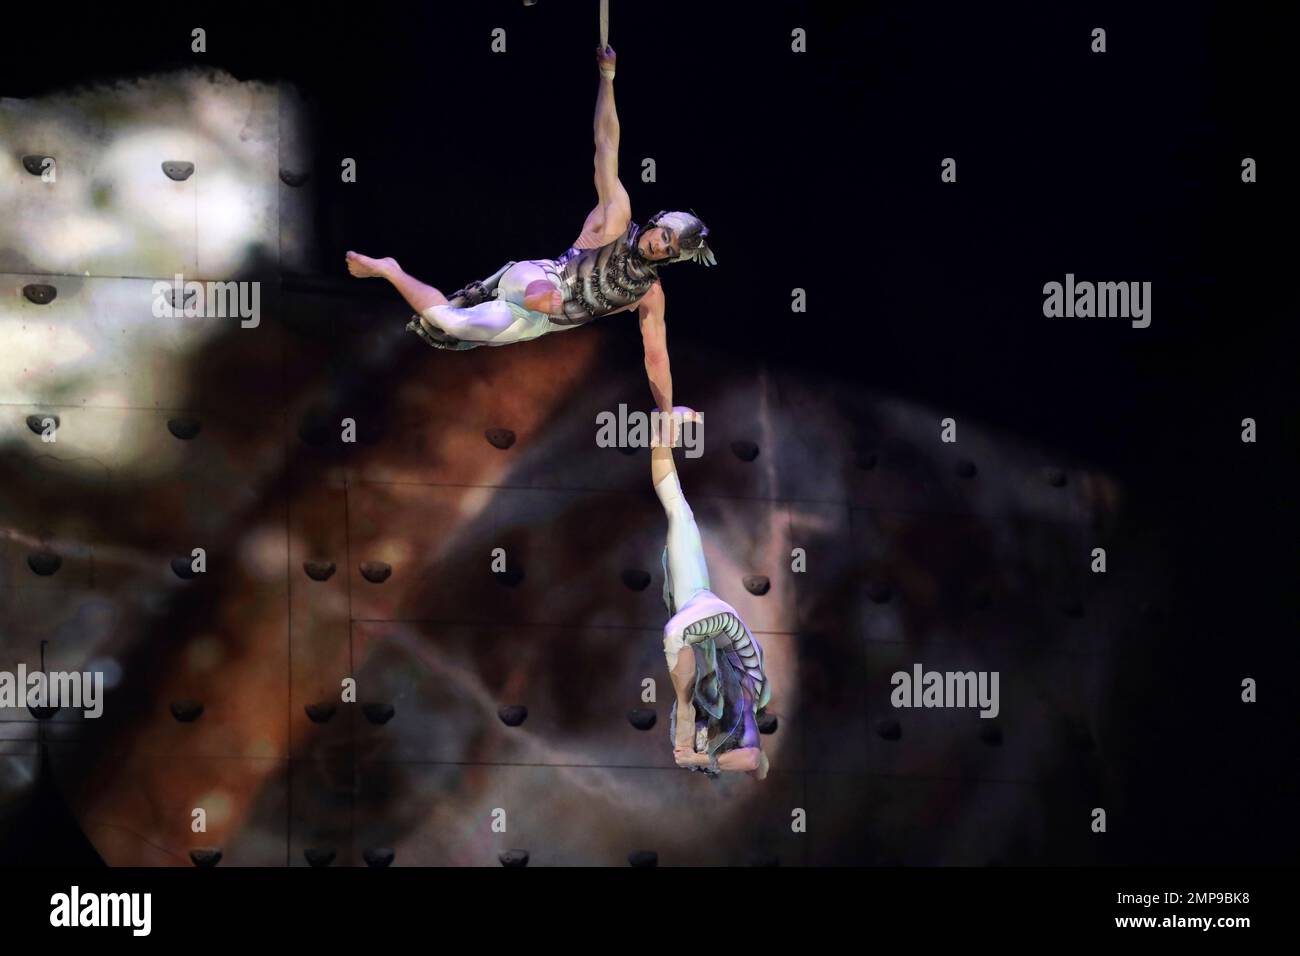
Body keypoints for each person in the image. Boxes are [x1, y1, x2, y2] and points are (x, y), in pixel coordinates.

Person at [345, 44, 714, 414]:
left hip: (537, 323)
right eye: (664, 236)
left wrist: (667, 412)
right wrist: (608, 77)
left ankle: (389, 269)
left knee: (448, 324)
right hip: (538, 278)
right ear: (656, 224)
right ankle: (540, 296)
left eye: (668, 250)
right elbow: (605, 142)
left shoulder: (649, 293)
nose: (659, 246)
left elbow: (656, 355)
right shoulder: (617, 216)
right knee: (543, 293)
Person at [652, 408, 771, 778]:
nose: (697, 738)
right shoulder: (744, 703)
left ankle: (663, 434)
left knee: (679, 513)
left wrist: (693, 752)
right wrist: (701, 759)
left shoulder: (706, 701)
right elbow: (756, 762)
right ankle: (663, 433)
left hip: (697, 608)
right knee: (676, 637)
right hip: (725, 631)